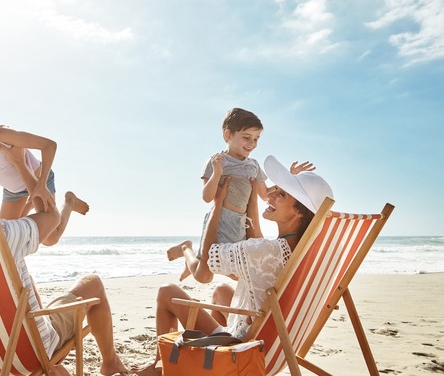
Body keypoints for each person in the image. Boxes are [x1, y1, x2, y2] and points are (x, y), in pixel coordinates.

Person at [0, 162, 129, 376]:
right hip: (29, 350)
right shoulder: (0, 235)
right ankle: (110, 362)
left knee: (22, 279)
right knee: (93, 283)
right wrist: (32, 180)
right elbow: (52, 218)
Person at [135, 155, 333, 375]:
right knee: (221, 291)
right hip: (280, 344)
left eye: (282, 194)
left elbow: (210, 259)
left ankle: (158, 367)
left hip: (247, 352)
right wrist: (258, 199)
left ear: (298, 211)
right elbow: (257, 236)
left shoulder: (267, 252)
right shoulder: (307, 251)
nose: (271, 194)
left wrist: (216, 206)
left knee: (166, 292)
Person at [168, 108, 314, 283]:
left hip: (241, 223)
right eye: (246, 137)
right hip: (220, 221)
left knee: (242, 274)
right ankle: (186, 249)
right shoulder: (217, 161)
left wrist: (288, 178)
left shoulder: (253, 165)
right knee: (203, 276)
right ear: (228, 134)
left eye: (256, 139)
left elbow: (265, 194)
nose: (252, 144)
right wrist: (216, 173)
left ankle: (193, 257)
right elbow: (207, 197)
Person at [0, 97, 88, 245]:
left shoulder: (1, 135)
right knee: (4, 239)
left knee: (50, 239)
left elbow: (49, 145)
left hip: (37, 179)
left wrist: (41, 184)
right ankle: (29, 204)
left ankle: (69, 203)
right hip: (14, 192)